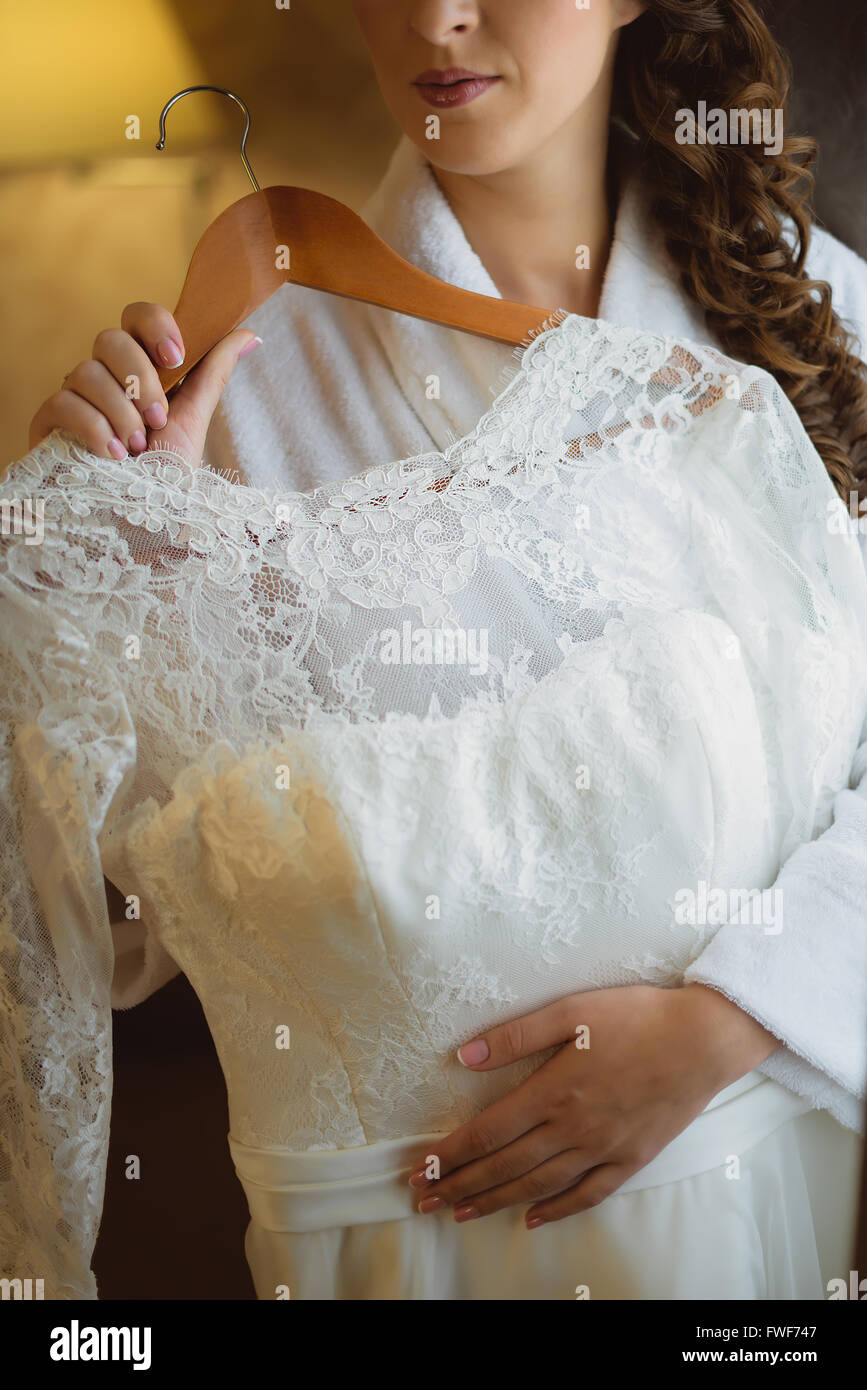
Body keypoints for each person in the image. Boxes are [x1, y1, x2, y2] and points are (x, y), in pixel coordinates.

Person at [20, 0, 867, 1299]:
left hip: (766, 1205)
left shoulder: (825, 317)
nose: (439, 18)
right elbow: (119, 930)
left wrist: (733, 1020)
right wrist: (119, 578)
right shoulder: (239, 397)